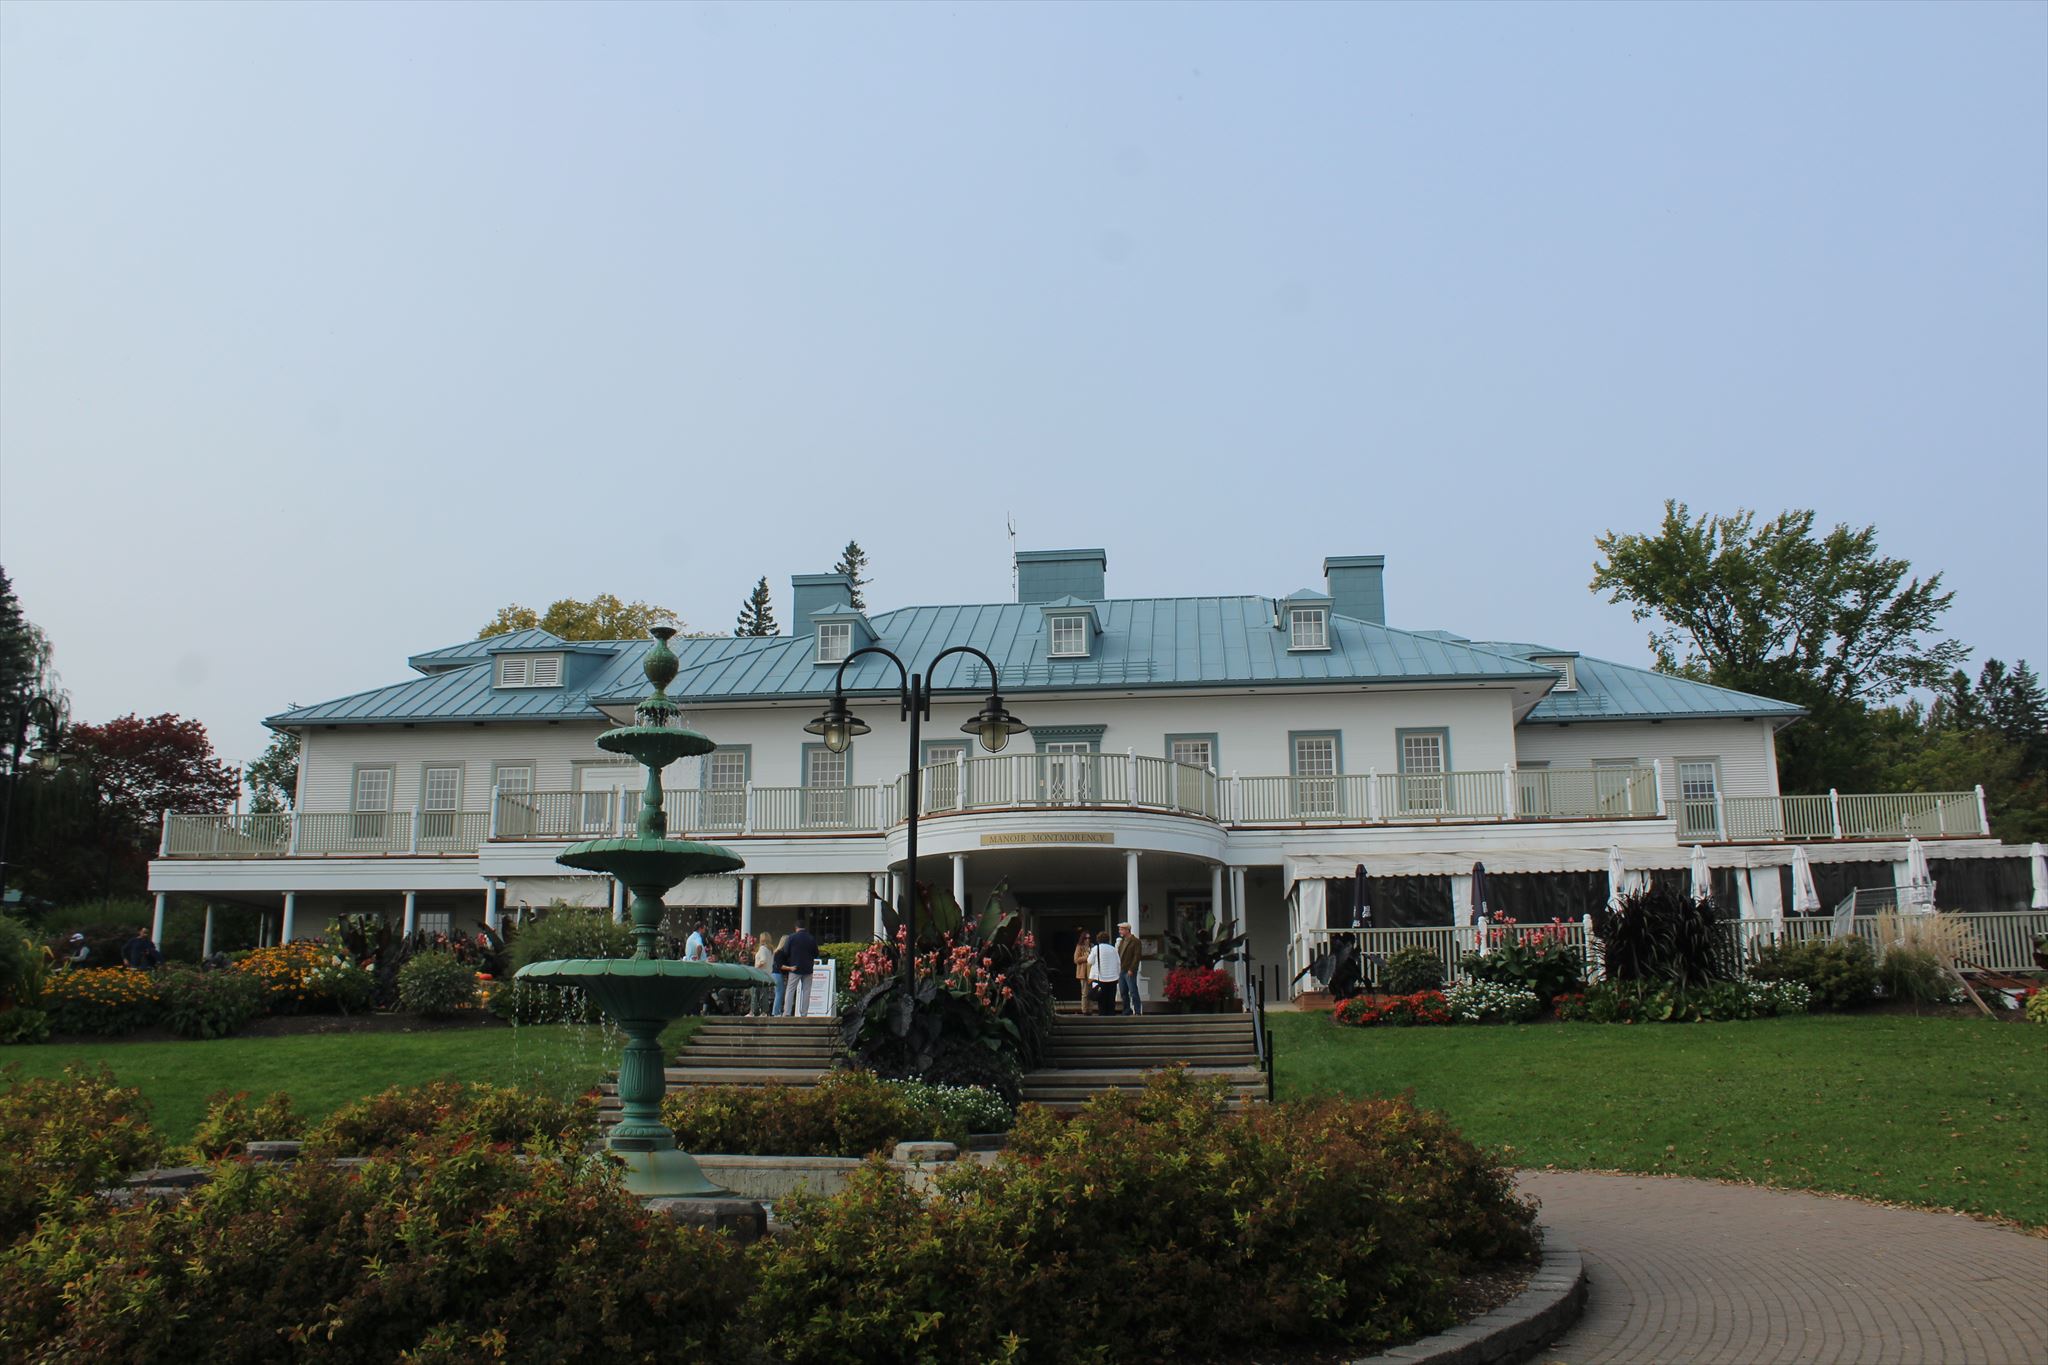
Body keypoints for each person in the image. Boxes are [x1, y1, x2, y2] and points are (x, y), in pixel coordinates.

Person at [783, 917, 819, 1017]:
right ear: (804, 927)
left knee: (790, 990)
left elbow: (786, 952)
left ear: (796, 927)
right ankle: (804, 1014)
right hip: (808, 968)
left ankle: (787, 1013)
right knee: (806, 991)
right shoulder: (811, 938)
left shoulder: (791, 937)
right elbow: (816, 953)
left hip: (794, 967)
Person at [1088, 931, 1122, 1017]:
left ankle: (1103, 1018)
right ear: (1108, 939)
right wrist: (1118, 975)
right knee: (1111, 1000)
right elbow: (1118, 963)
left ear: (1098, 939)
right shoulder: (1113, 949)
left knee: (1101, 1000)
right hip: (1113, 978)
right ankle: (1111, 1017)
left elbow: (1089, 961)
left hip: (1100, 978)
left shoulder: (1096, 948)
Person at [1116, 922, 1142, 1015]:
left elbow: (1137, 956)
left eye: (1122, 929)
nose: (1120, 931)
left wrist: (1132, 969)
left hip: (1129, 969)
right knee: (1123, 991)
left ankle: (1137, 1010)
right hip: (1121, 969)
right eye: (1120, 929)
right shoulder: (1122, 941)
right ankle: (1127, 1010)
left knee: (1133, 991)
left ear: (1127, 930)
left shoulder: (1135, 941)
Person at [750, 931, 775, 1016]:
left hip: (760, 974)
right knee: (763, 993)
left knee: (755, 992)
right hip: (767, 974)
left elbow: (763, 961)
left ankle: (754, 1011)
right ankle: (763, 1011)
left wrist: (754, 968)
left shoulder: (763, 948)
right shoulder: (770, 949)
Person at [770, 934, 792, 1017]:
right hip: (777, 974)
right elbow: (780, 966)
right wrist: (791, 968)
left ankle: (776, 1011)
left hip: (775, 974)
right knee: (779, 992)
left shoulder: (778, 952)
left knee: (778, 992)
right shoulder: (780, 952)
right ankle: (776, 1012)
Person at [1073, 931, 1095, 1014]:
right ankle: (1084, 1010)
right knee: (1085, 992)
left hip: (1092, 972)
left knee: (1092, 991)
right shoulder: (1079, 947)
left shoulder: (1092, 946)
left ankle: (1090, 1009)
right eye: (1086, 938)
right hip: (1083, 972)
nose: (1087, 940)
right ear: (1082, 938)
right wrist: (1087, 957)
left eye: (1089, 938)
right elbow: (1076, 960)